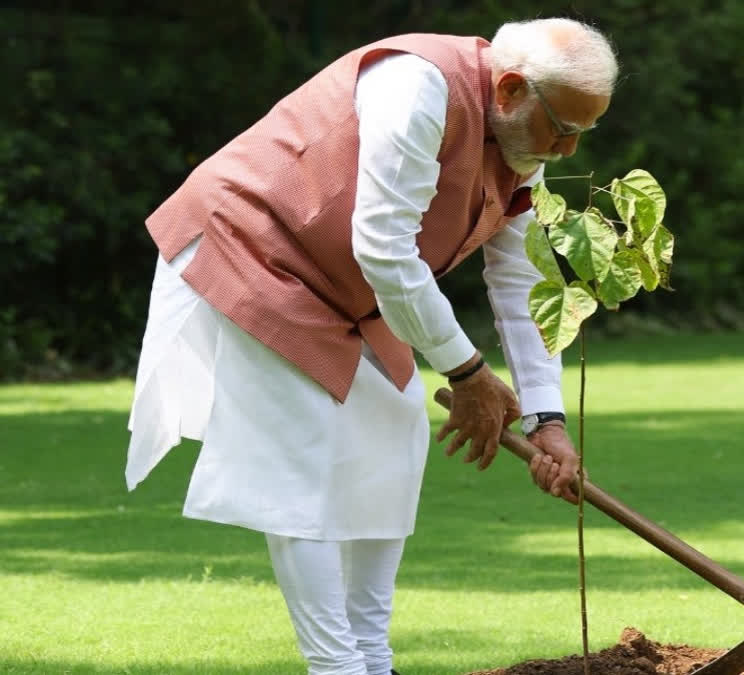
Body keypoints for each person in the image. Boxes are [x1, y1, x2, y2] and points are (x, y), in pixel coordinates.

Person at [124, 18, 617, 675]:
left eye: (585, 132)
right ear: (508, 89)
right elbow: (384, 248)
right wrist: (467, 372)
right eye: (563, 126)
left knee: (394, 435)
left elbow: (526, 289)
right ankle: (337, 666)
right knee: (297, 469)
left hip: (350, 291)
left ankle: (372, 659)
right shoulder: (417, 87)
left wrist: (547, 419)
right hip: (253, 250)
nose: (569, 148)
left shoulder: (523, 156)